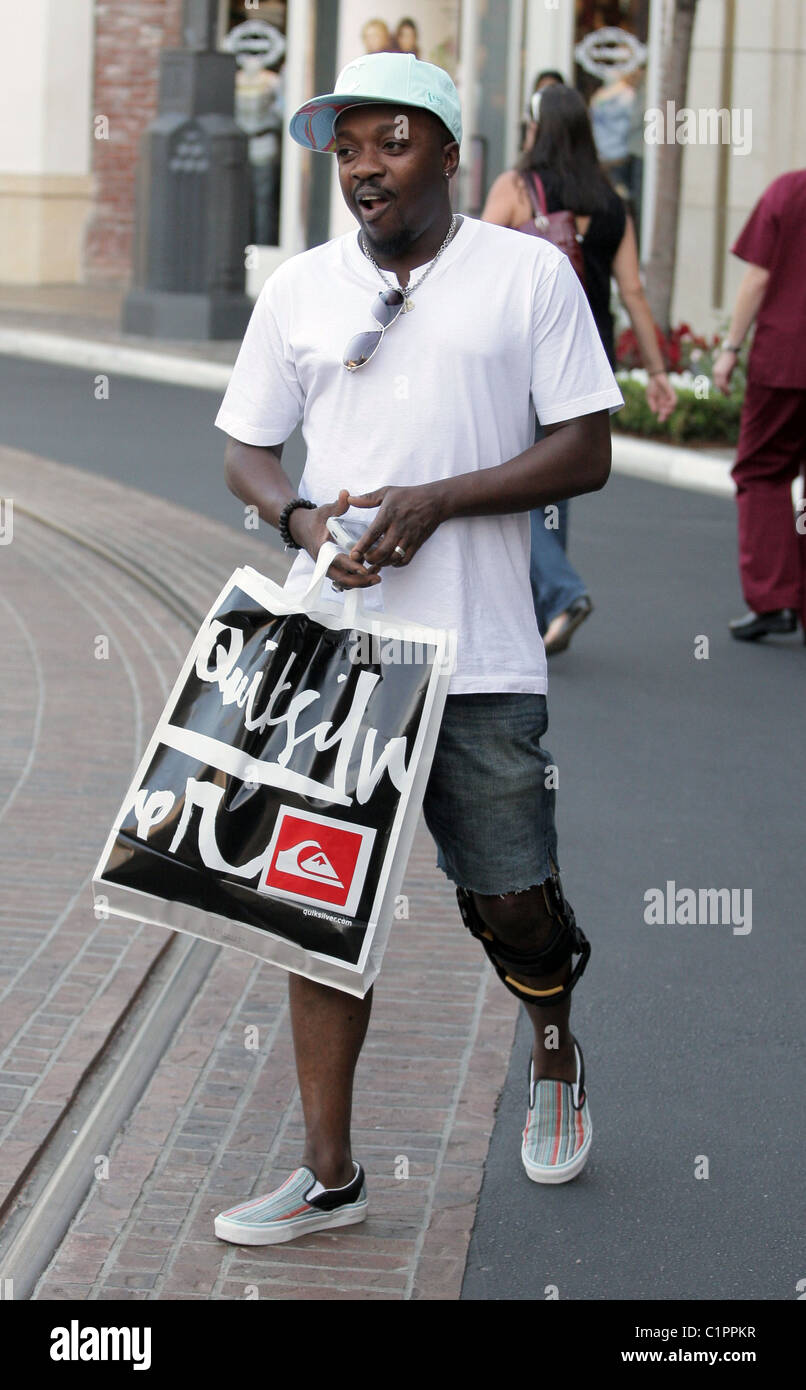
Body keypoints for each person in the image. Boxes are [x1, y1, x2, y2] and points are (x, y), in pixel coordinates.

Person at [212, 51, 623, 1246]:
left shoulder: (528, 277)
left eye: (388, 142)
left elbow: (585, 448)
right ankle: (329, 1175)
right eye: (344, 150)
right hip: (335, 652)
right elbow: (246, 449)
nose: (362, 170)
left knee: (509, 896)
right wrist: (299, 519)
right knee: (314, 908)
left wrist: (437, 500)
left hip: (483, 652)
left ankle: (551, 1044)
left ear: (449, 151)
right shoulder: (299, 289)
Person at [482, 83, 675, 654]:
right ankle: (545, 613)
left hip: (525, 355)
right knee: (554, 480)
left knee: (505, 476)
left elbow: (472, 264)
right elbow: (634, 292)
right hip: (589, 358)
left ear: (535, 129)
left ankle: (561, 593)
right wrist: (658, 372)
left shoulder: (518, 187)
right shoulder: (612, 199)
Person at [713, 169, 806, 643]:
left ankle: (773, 598)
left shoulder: (788, 191)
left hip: (786, 359)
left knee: (762, 472)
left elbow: (758, 279)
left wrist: (730, 348)